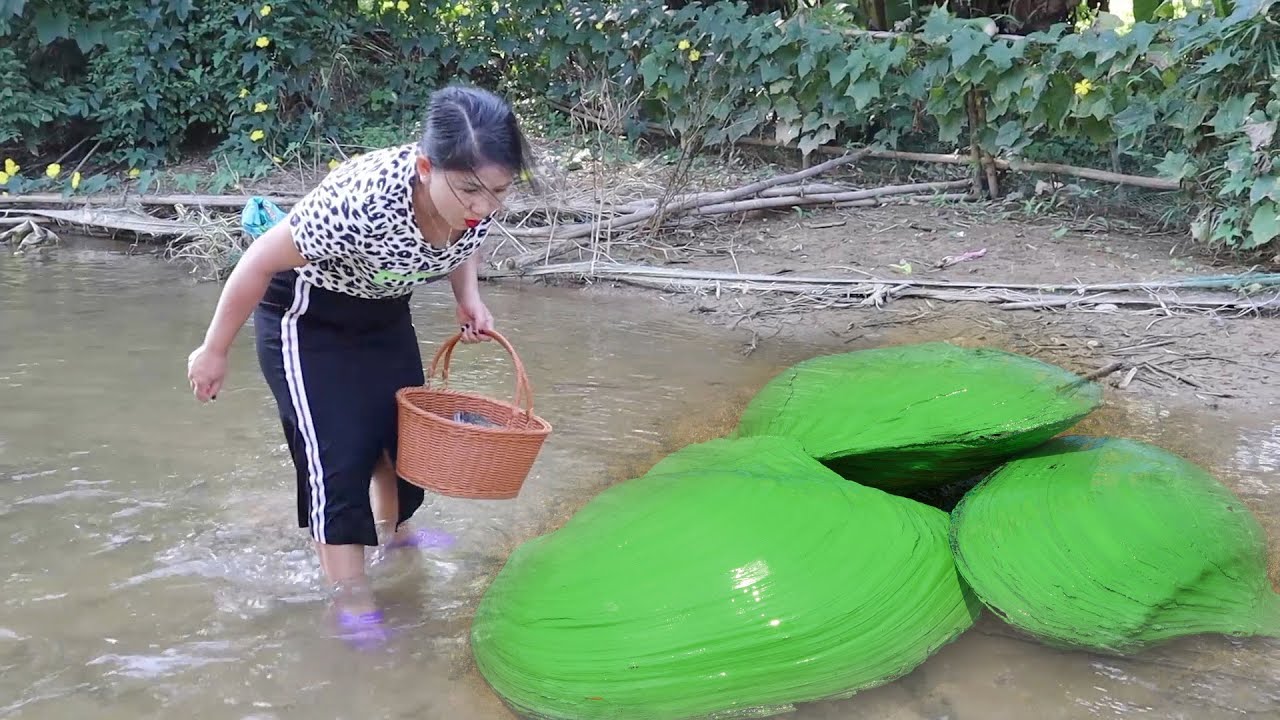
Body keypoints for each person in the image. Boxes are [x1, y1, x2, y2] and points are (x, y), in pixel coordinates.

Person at [185, 84, 532, 645]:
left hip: (381, 311)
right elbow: (257, 260)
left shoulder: (479, 202)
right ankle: (350, 592)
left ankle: (399, 536)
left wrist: (467, 298)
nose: (483, 207)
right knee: (337, 456)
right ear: (425, 166)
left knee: (404, 440)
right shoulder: (361, 198)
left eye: (497, 192)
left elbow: (466, 247)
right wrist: (214, 350)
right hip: (306, 316)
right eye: (469, 190)